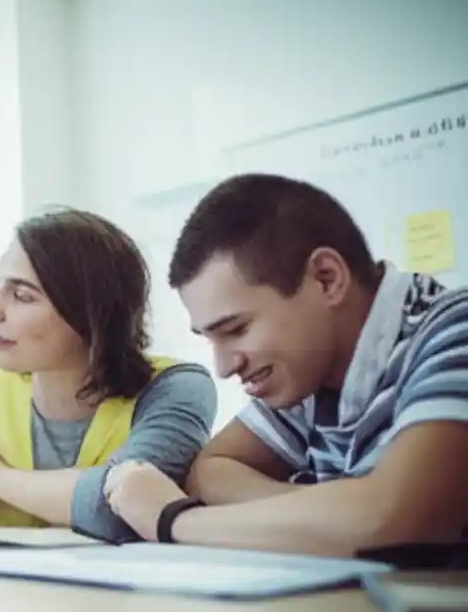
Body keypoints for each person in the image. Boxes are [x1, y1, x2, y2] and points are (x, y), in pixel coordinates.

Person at [106, 174, 468, 557]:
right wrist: (334, 512)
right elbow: (210, 470)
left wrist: (172, 520)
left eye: (237, 329)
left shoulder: (454, 327)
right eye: (210, 339)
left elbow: (398, 518)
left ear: (326, 279)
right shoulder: (309, 373)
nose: (224, 367)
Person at [0, 210, 217, 541]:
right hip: (21, 599)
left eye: (21, 295)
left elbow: (119, 508)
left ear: (88, 314)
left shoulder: (176, 389)